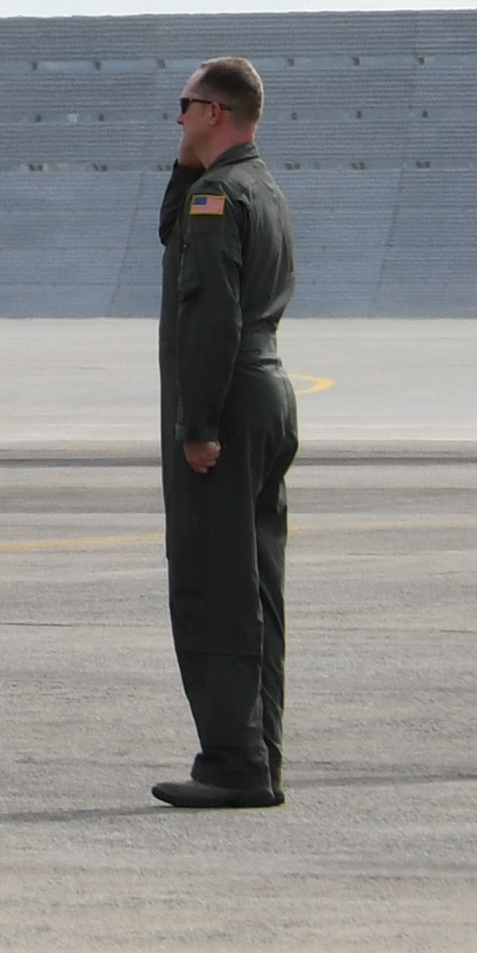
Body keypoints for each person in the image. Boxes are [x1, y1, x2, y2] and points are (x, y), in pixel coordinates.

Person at [154, 57, 299, 810]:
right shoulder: (255, 186)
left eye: (184, 106)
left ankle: (233, 761)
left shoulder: (218, 197)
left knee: (214, 583)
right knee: (255, 583)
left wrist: (198, 424)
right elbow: (168, 236)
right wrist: (185, 172)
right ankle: (258, 751)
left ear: (215, 111)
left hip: (228, 400)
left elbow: (210, 315)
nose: (176, 118)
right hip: (265, 392)